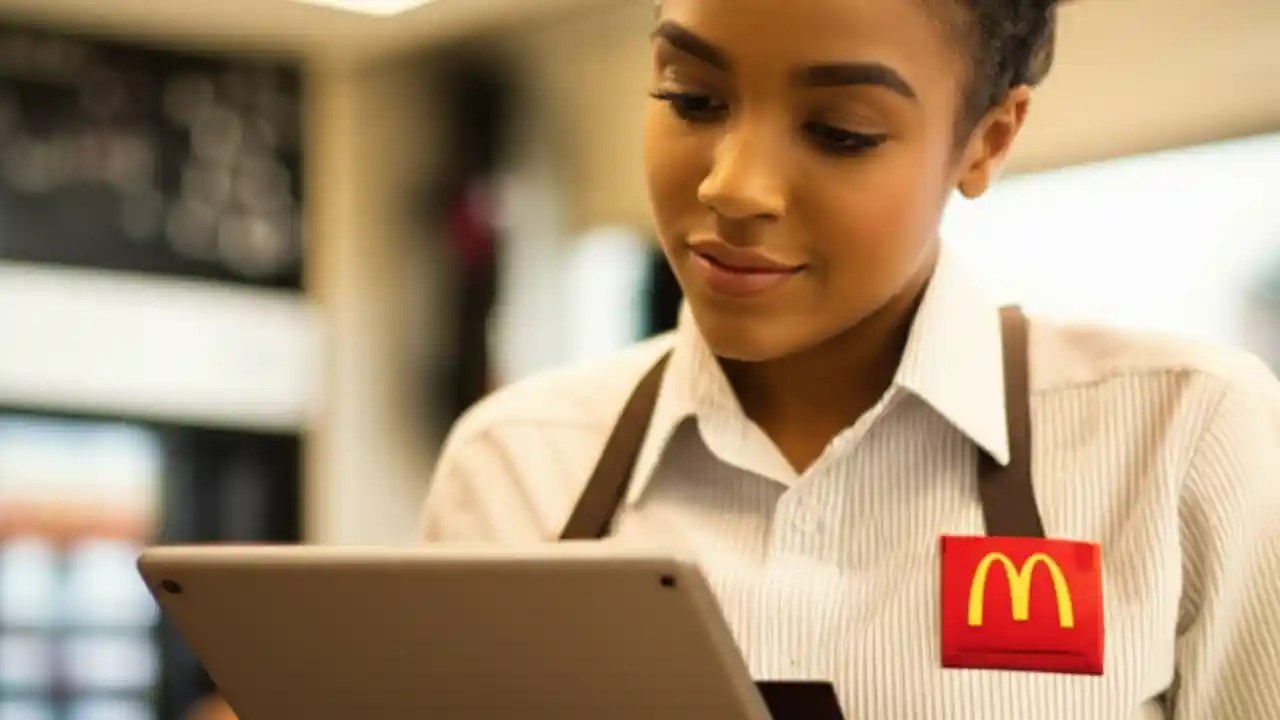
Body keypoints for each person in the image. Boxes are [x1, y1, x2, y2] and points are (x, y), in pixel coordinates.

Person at [420, 0, 1280, 716]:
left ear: (987, 140)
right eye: (692, 99)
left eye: (839, 131)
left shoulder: (1182, 439)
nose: (733, 186)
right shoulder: (515, 465)